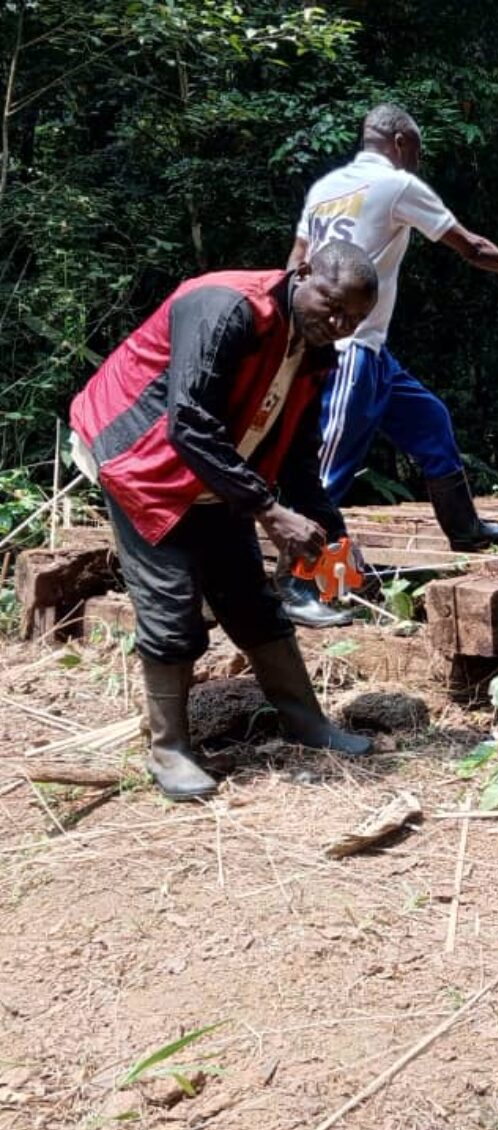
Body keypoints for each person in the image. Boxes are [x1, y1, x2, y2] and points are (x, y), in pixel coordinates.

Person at [69, 243, 380, 800]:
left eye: (353, 320)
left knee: (247, 593)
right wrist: (268, 510)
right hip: (139, 458)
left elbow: (299, 455)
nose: (338, 324)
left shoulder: (313, 351)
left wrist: (333, 535)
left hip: (214, 471)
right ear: (302, 272)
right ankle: (169, 749)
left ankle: (307, 722)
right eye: (332, 306)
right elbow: (188, 419)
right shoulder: (226, 306)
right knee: (171, 603)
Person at [283, 103, 498, 621]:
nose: (418, 159)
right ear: (400, 143)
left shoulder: (325, 189)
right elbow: (471, 246)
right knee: (329, 470)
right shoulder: (396, 185)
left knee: (431, 420)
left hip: (372, 351)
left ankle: (465, 528)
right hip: (346, 352)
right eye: (417, 149)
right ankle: (296, 585)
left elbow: (294, 265)